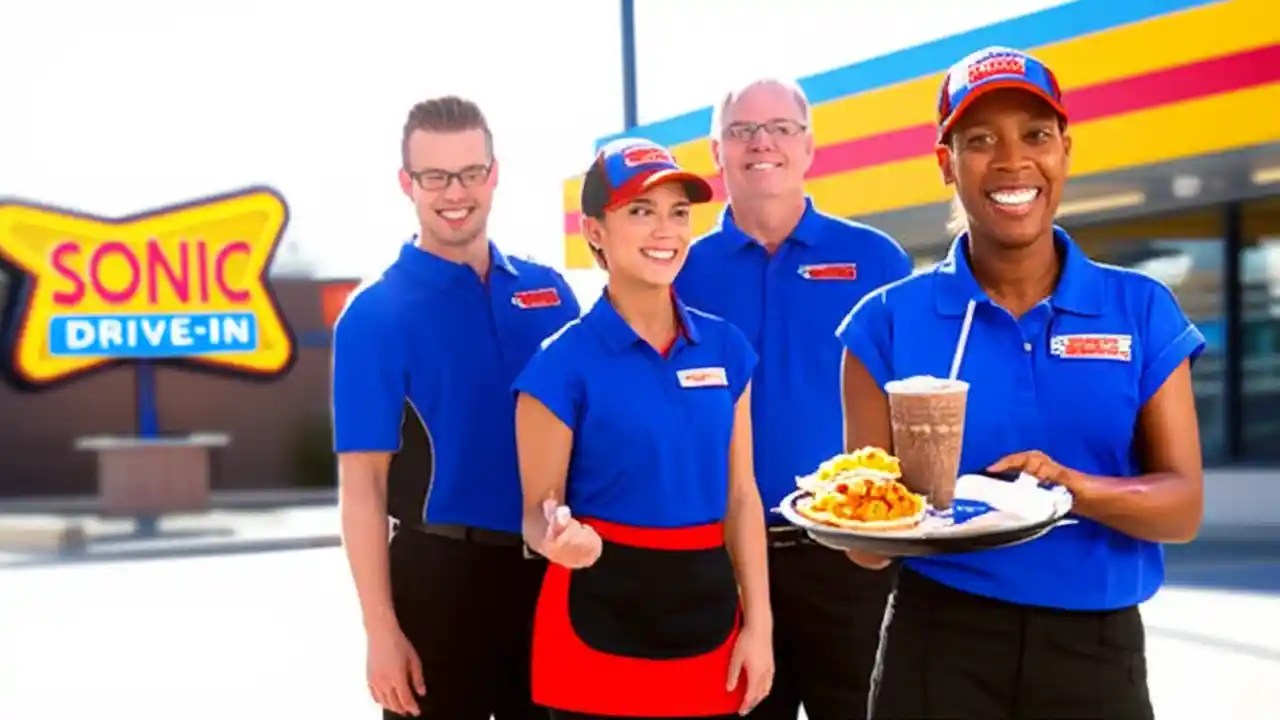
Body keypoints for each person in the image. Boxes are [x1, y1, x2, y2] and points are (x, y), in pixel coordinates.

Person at [837, 46, 1205, 719]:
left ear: (1065, 150)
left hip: (1097, 653)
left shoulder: (1142, 309)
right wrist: (868, 510)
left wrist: (1069, 488)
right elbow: (865, 550)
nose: (1012, 160)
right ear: (946, 163)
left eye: (1035, 135)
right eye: (980, 140)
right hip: (938, 644)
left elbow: (1182, 508)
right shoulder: (883, 323)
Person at [331, 95, 582, 719]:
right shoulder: (374, 315)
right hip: (438, 585)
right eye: (435, 176)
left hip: (553, 580)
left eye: (470, 172)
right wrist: (380, 632)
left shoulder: (551, 294)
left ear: (494, 175)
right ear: (406, 183)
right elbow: (362, 488)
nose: (455, 192)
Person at [673, 77, 914, 720]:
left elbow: (914, 408)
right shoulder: (679, 271)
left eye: (781, 128)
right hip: (722, 564)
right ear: (716, 151)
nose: (762, 143)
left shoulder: (877, 261)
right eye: (742, 131)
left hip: (853, 560)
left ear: (808, 146)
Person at [513, 138, 775, 720]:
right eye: (640, 211)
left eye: (678, 213)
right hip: (596, 625)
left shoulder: (727, 349)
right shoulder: (558, 365)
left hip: (710, 623)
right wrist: (556, 538)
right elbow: (535, 512)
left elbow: (741, 495)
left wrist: (760, 626)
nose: (666, 231)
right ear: (595, 231)